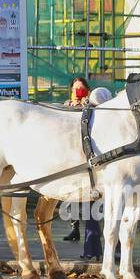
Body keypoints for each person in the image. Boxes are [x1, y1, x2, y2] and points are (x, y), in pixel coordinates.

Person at [62, 77, 91, 243]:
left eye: (81, 89)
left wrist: (87, 104)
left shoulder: (92, 103)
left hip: (88, 152)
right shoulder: (67, 104)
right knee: (73, 194)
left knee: (88, 195)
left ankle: (90, 232)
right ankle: (74, 228)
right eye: (75, 89)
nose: (78, 92)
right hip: (71, 152)